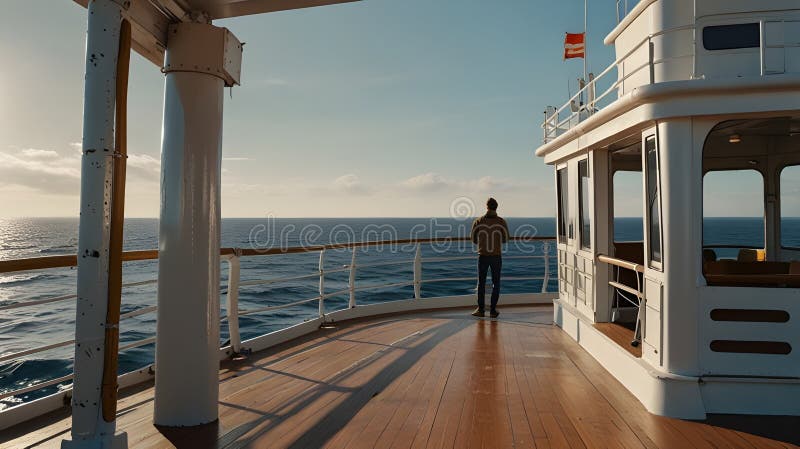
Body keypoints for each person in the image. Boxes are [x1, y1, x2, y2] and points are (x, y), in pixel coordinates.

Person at [470, 197, 509, 318]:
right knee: (496, 283)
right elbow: (506, 239)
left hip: (482, 256)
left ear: (486, 207)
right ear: (496, 207)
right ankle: (492, 310)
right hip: (496, 256)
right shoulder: (501, 222)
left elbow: (473, 239)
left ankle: (481, 310)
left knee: (481, 283)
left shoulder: (478, 221)